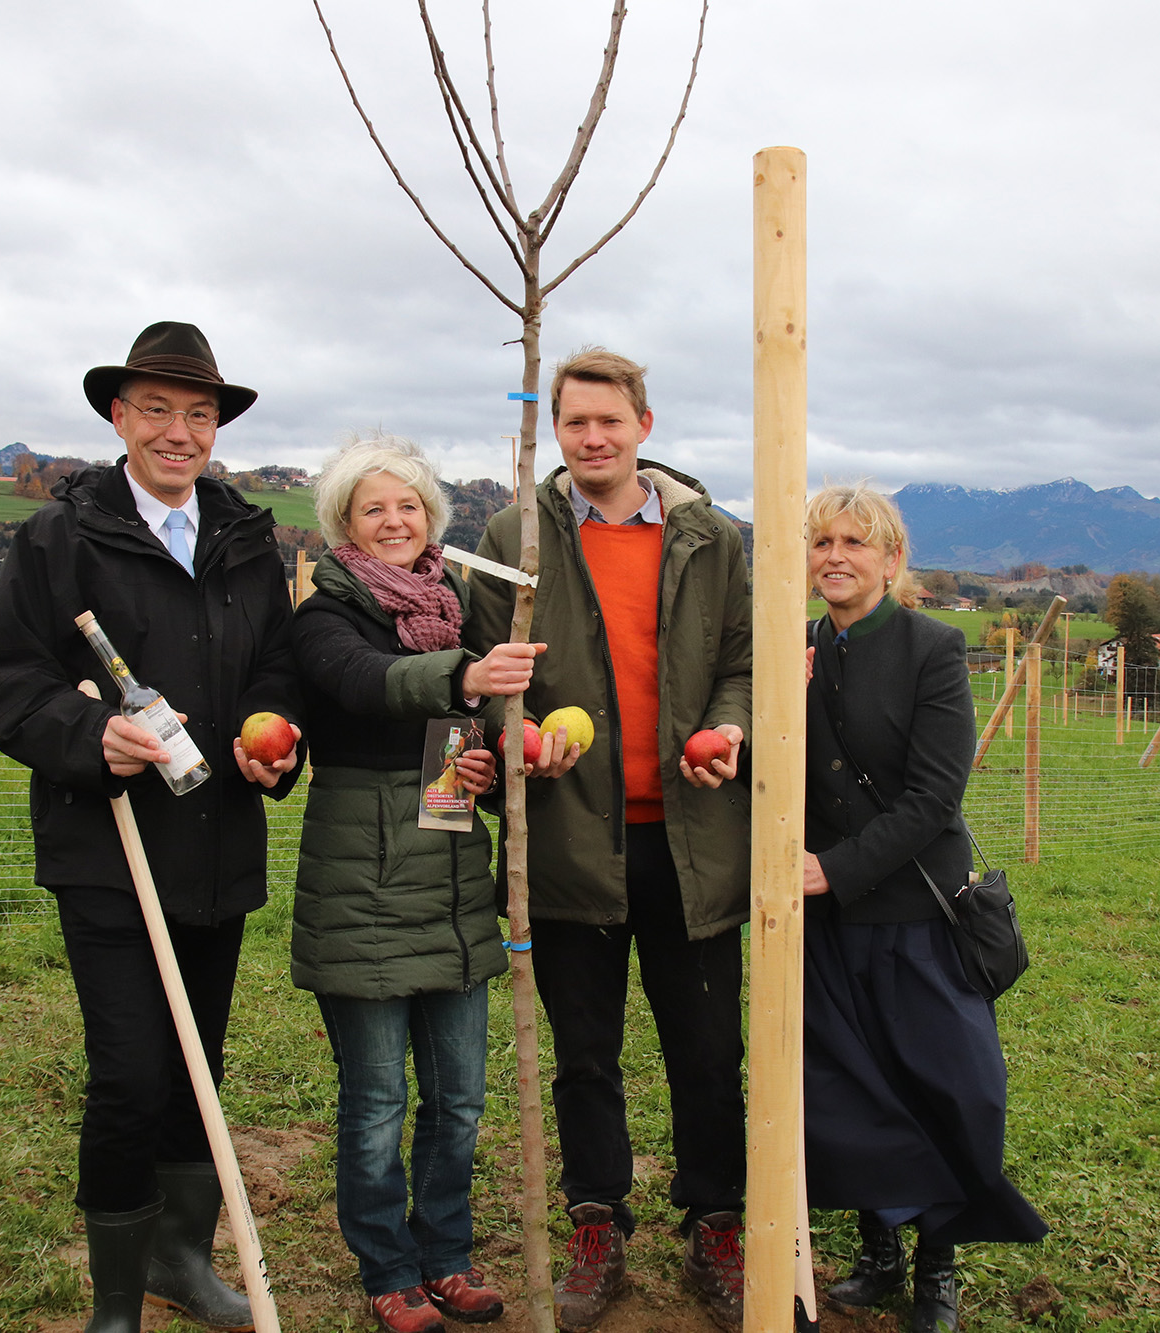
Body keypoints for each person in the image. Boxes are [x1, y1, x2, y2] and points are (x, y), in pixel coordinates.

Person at [0, 321, 302, 1333]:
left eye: (197, 413)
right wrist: (87, 734)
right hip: (109, 849)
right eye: (156, 409)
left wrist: (270, 740)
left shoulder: (247, 541)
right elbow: (1, 673)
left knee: (199, 1069)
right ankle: (116, 1300)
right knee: (128, 1073)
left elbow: (277, 672)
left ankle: (180, 1263)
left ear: (216, 427)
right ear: (118, 415)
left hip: (217, 843)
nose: (177, 431)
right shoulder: (61, 538)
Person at [465, 348, 753, 1332]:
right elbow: (480, 673)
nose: (592, 438)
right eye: (574, 422)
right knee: (584, 1054)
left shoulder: (709, 536)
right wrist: (515, 736)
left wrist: (731, 727)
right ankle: (597, 1221)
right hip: (567, 840)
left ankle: (716, 1220)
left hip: (692, 840)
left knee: (708, 1051)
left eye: (609, 421)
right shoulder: (515, 535)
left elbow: (742, 661)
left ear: (644, 426)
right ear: (555, 429)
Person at [289, 433, 546, 1333]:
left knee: (460, 1097)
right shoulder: (325, 615)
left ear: (430, 517)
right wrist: (466, 675)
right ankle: (387, 1268)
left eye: (408, 505)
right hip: (362, 879)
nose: (394, 520)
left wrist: (478, 761)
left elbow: (457, 738)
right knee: (376, 1102)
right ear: (345, 525)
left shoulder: (451, 605)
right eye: (374, 508)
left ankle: (445, 1256)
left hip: (449, 878)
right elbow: (368, 684)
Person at [800, 482, 1048, 1332]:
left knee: (950, 1086)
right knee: (853, 1088)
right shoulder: (797, 651)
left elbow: (936, 794)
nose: (835, 556)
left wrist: (834, 869)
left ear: (891, 559)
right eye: (822, 541)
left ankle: (938, 1264)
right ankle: (879, 1249)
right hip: (829, 925)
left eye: (854, 542)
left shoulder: (934, 648)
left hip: (915, 914)